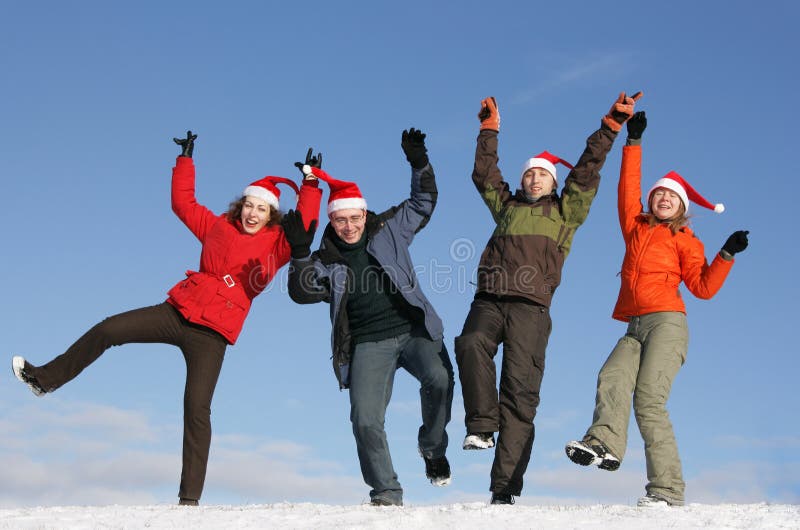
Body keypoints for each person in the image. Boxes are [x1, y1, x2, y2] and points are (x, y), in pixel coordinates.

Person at [11, 131, 322, 506]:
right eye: (249, 206)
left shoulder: (277, 244)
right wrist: (185, 161)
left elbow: (305, 227)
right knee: (109, 329)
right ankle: (44, 380)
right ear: (240, 206)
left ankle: (189, 500)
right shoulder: (218, 228)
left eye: (262, 209)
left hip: (213, 334)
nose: (253, 214)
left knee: (197, 409)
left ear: (271, 214)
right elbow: (183, 203)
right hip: (177, 312)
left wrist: (310, 183)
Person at [455, 92, 642, 505]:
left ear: (555, 182)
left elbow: (589, 169)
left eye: (542, 175)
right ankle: (482, 426)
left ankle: (504, 490)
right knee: (469, 344)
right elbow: (484, 173)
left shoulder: (565, 212)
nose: (534, 179)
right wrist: (489, 129)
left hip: (532, 309)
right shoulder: (506, 207)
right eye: (529, 175)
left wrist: (610, 126)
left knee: (519, 397)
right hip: (488, 299)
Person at [564, 111, 749, 507]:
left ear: (680, 206)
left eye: (671, 197)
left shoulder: (685, 240)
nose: (663, 198)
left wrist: (726, 254)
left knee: (648, 400)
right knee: (612, 375)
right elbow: (626, 189)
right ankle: (603, 445)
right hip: (634, 326)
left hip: (668, 324)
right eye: (659, 194)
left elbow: (702, 288)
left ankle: (666, 490)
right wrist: (633, 142)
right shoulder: (635, 227)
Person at [281, 128, 454, 507]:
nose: (348, 226)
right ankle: (386, 491)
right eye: (340, 220)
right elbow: (301, 291)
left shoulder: (388, 229)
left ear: (364, 213)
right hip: (367, 343)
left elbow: (423, 201)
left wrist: (419, 161)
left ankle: (432, 447)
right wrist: (297, 252)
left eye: (354, 217)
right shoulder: (326, 257)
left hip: (413, 331)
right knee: (364, 420)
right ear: (333, 221)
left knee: (439, 377)